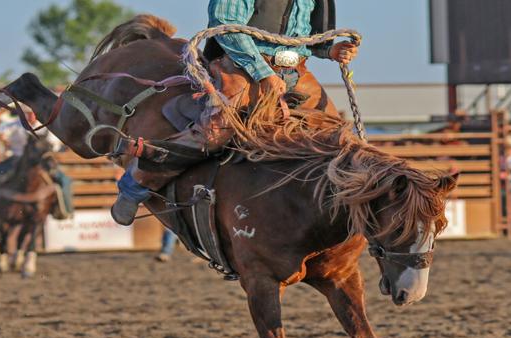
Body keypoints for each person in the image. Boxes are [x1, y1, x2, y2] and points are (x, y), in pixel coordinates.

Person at [111, 0, 360, 226]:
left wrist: (329, 51)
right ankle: (136, 184)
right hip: (241, 66)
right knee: (214, 131)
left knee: (337, 135)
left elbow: (309, 37)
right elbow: (225, 26)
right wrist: (263, 73)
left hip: (296, 70)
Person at [0, 109, 74, 220]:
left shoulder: (47, 126)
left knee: (64, 180)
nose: (31, 116)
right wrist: (1, 136)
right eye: (28, 113)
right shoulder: (16, 124)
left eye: (33, 113)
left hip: (42, 160)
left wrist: (58, 146)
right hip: (17, 158)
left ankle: (66, 210)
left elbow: (57, 143)